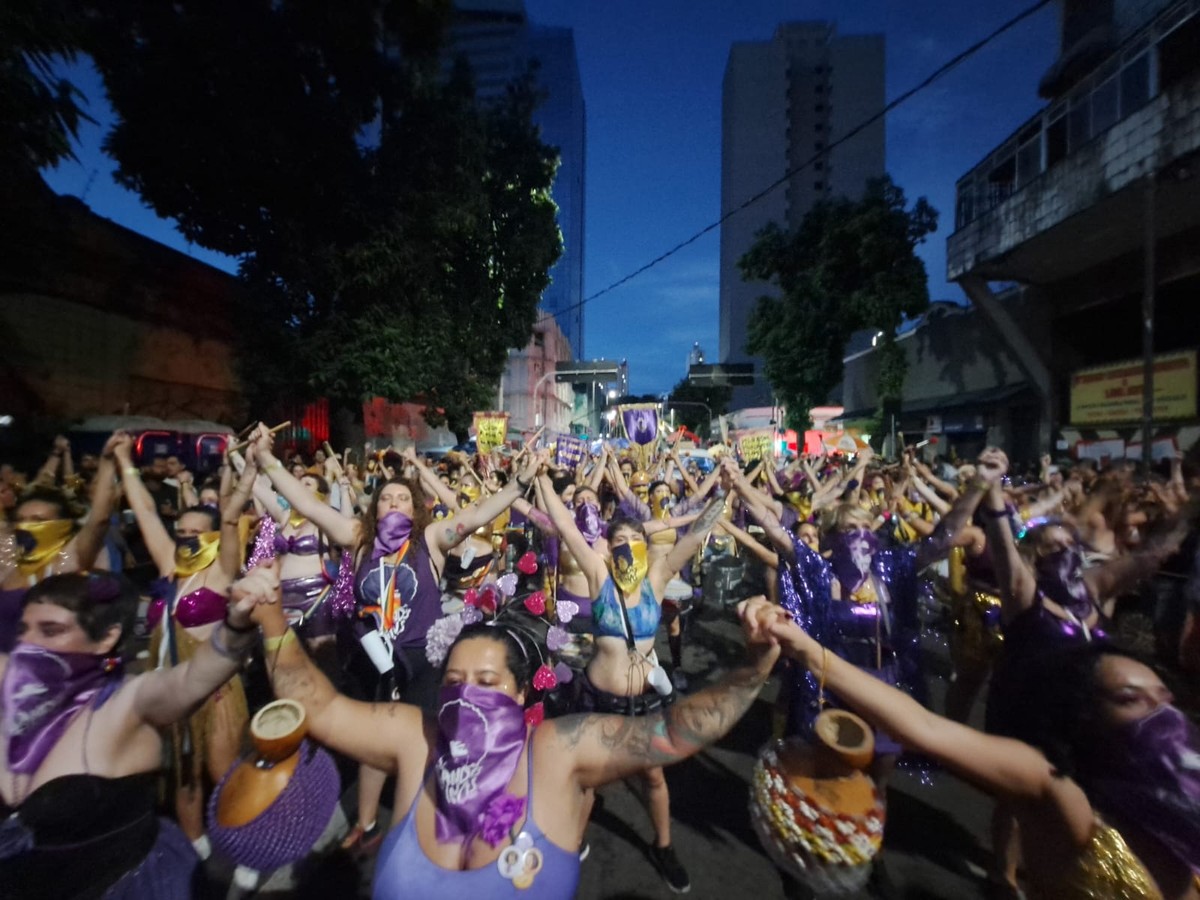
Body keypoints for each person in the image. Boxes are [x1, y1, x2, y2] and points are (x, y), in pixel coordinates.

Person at [243, 562, 780, 899]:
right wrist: (270, 618)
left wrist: (752, 671)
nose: (466, 692)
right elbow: (319, 708)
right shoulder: (416, 739)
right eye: (453, 680)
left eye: (486, 680)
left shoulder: (555, 752)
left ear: (522, 693)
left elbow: (666, 735)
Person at [741, 596, 1199, 900]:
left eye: (1163, 698)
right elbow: (923, 727)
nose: (1160, 715)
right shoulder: (1059, 792)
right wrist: (804, 648)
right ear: (1084, 719)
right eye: (1130, 699)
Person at [249, 423, 540, 856]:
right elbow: (308, 505)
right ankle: (366, 824)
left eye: (403, 497)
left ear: (417, 505)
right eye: (386, 496)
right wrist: (267, 461)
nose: (393, 502)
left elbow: (476, 515)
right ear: (375, 506)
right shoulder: (358, 537)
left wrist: (517, 483)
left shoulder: (432, 540)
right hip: (370, 657)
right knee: (372, 743)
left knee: (424, 742)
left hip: (420, 658)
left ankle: (420, 828)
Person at [0, 569, 267, 898]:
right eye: (23, 630)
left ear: (107, 637)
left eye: (51, 631)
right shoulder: (13, 692)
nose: (29, 644)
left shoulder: (128, 701)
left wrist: (237, 624)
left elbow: (194, 678)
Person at [533, 460, 727, 894]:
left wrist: (725, 496)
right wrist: (541, 478)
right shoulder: (599, 575)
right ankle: (571, 843)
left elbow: (694, 537)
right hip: (596, 698)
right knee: (586, 779)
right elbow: (564, 526)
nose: (625, 546)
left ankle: (663, 847)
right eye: (617, 539)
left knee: (653, 777)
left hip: (642, 702)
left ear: (645, 545)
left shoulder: (657, 577)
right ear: (606, 545)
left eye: (633, 540)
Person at [115, 432, 255, 854]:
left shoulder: (222, 571)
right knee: (183, 775)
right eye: (182, 530)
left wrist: (248, 468)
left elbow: (231, 518)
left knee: (223, 773)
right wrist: (125, 462)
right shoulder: (169, 563)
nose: (187, 537)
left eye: (197, 531)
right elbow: (143, 511)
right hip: (171, 686)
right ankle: (196, 850)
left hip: (215, 694)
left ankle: (244, 841)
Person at [1, 436, 119, 652]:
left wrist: (108, 461)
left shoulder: (69, 558)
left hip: (58, 674)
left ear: (63, 525)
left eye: (39, 521)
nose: (27, 527)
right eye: (22, 520)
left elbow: (100, 518)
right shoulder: (8, 557)